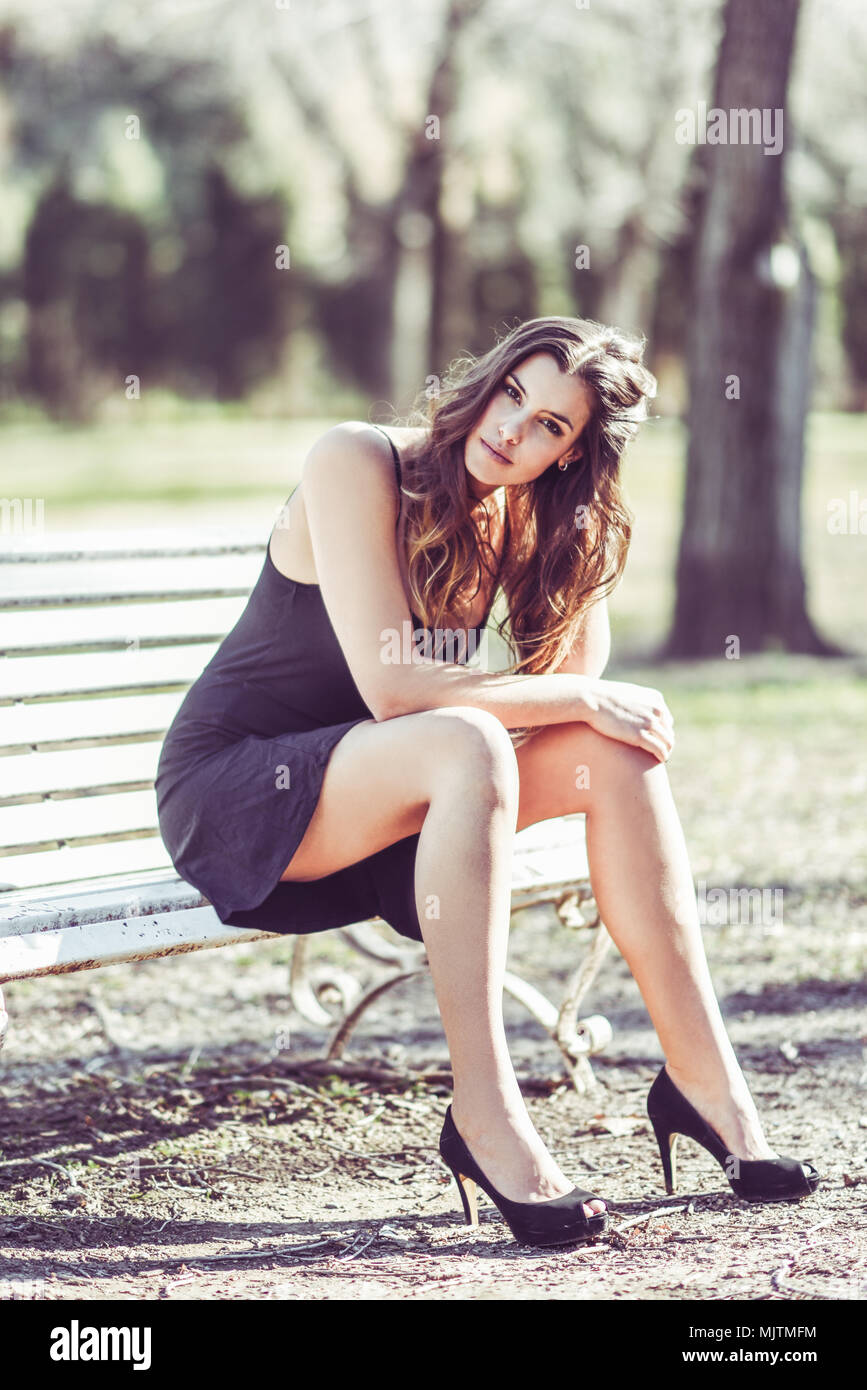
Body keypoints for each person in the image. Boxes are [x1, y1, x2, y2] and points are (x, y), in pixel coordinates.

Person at [155, 315, 819, 1248]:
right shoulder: (359, 461)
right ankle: (485, 1113)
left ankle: (706, 1086)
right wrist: (582, 693)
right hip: (239, 795)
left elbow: (575, 701)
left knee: (614, 755)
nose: (513, 429)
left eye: (552, 426)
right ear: (489, 378)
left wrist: (579, 545)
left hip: (382, 811)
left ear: (574, 455)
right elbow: (393, 691)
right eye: (514, 393)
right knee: (470, 741)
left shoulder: (525, 516)